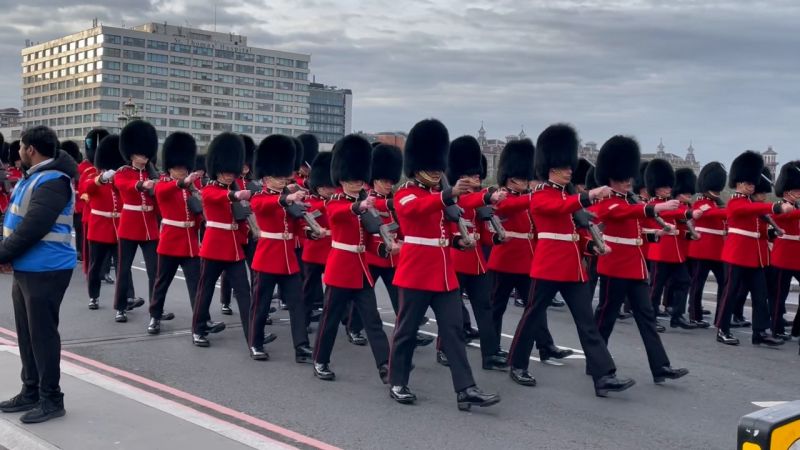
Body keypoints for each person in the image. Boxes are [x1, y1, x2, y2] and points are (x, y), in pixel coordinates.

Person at [507, 123, 635, 397]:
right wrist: (589, 196)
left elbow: (574, 232)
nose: (569, 171)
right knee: (532, 317)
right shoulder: (541, 195)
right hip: (549, 265)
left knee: (587, 323)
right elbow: (558, 208)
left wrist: (592, 246)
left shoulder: (568, 196)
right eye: (564, 167)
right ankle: (517, 364)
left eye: (569, 167)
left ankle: (604, 376)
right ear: (550, 167)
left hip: (573, 267)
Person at [388, 118, 499, 410]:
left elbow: (446, 228)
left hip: (443, 273)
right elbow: (417, 209)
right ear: (417, 167)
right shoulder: (405, 193)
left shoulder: (438, 195)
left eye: (439, 167)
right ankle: (398, 381)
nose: (437, 172)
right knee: (406, 331)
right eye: (432, 166)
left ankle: (466, 389)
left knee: (453, 331)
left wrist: (459, 241)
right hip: (415, 273)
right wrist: (448, 194)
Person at [592, 135, 689, 385]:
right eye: (622, 178)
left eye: (629, 177)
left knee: (647, 318)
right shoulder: (607, 202)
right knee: (606, 318)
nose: (628, 181)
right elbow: (624, 214)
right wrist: (656, 209)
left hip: (635, 268)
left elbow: (636, 229)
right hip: (614, 267)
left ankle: (661, 366)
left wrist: (657, 232)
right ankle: (596, 364)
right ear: (610, 178)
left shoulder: (629, 200)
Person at [0, 125, 76, 423]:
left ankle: (51, 398)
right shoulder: (35, 177)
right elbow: (14, 221)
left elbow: (34, 227)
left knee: (42, 335)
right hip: (28, 266)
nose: (18, 151)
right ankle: (31, 390)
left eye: (21, 147)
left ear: (30, 149)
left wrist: (4, 255)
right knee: (27, 334)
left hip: (47, 267)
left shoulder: (53, 181)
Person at [312, 134, 390, 383]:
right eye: (352, 180)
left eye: (359, 179)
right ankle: (320, 360)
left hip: (361, 270)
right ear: (342, 179)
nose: (357, 183)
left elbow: (369, 237)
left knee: (373, 321)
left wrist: (385, 248)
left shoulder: (365, 203)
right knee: (330, 319)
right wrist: (359, 207)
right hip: (340, 269)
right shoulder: (335, 202)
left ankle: (386, 365)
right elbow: (339, 214)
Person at [488, 139, 567, 362]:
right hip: (505, 260)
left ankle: (546, 346)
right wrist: (534, 195)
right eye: (522, 178)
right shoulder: (501, 196)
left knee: (534, 308)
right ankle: (492, 348)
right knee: (496, 308)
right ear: (510, 178)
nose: (525, 182)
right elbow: (506, 208)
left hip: (527, 261)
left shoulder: (526, 198)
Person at [436, 135, 507, 370]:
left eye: (478, 174)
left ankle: (490, 354)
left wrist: (495, 237)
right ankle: (443, 349)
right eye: (472, 174)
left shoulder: (479, 200)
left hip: (477, 263)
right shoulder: (454, 198)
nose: (477, 178)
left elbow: (483, 234)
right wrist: (485, 198)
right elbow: (465, 204)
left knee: (485, 309)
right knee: (452, 312)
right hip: (457, 261)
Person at [715, 152, 791, 346]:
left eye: (752, 183)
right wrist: (776, 207)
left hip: (754, 257)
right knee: (730, 294)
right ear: (739, 183)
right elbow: (749, 210)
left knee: (760, 295)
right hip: (737, 255)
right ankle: (722, 329)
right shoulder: (735, 202)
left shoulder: (752, 203)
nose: (751, 186)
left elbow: (758, 226)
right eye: (748, 183)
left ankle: (760, 332)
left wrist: (775, 229)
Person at [248, 134, 312, 362]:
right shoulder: (260, 197)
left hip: (288, 259)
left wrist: (311, 231)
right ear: (266, 178)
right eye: (278, 177)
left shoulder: (289, 197)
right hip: (267, 257)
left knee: (297, 304)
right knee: (261, 305)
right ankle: (255, 343)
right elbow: (263, 206)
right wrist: (287, 199)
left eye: (284, 177)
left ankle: (301, 346)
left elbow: (298, 225)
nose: (283, 181)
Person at [191, 132, 252, 348]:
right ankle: (198, 330)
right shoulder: (209, 189)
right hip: (214, 248)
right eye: (225, 172)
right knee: (205, 290)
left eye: (232, 172)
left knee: (244, 293)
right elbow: (216, 197)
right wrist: (235, 195)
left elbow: (241, 219)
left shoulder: (234, 189)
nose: (229, 176)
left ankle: (253, 336)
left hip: (234, 249)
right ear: (217, 170)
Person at [147, 132, 203, 335]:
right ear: (170, 168)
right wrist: (184, 182)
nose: (182, 171)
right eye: (178, 168)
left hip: (190, 243)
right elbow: (163, 192)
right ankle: (155, 316)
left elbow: (199, 213)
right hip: (170, 242)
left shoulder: (192, 187)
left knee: (196, 286)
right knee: (161, 283)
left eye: (184, 168)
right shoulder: (163, 184)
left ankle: (200, 322)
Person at [112, 120, 160, 323]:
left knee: (154, 272)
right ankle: (120, 306)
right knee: (123, 269)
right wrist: (142, 185)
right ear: (131, 154)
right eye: (140, 153)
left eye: (146, 153)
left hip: (150, 228)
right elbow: (123, 185)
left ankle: (155, 310)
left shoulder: (154, 174)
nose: (144, 156)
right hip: (129, 226)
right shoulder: (123, 172)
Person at [645, 160, 700, 330]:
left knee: (684, 281)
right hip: (661, 251)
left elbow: (680, 218)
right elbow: (672, 213)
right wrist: (689, 212)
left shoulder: (673, 203)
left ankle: (677, 315)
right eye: (664, 187)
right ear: (656, 188)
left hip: (675, 253)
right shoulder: (653, 205)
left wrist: (690, 227)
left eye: (669, 186)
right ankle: (651, 317)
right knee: (656, 287)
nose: (669, 189)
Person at [687, 162, 728, 328]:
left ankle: (721, 317)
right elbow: (714, 214)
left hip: (718, 251)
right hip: (702, 250)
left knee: (724, 284)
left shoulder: (716, 202)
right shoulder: (701, 203)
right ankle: (694, 315)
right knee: (698, 284)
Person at [301, 151, 334, 327]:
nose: (331, 190)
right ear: (318, 187)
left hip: (331, 250)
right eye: (327, 187)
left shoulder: (335, 201)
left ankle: (343, 320)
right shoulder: (311, 202)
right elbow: (312, 212)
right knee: (308, 290)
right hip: (314, 251)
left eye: (332, 186)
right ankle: (303, 321)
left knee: (336, 289)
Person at [771, 161, 800, 341]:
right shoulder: (780, 207)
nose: (799, 193)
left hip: (796, 256)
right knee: (779, 296)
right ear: (787, 191)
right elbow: (786, 216)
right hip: (782, 256)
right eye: (797, 190)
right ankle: (776, 328)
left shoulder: (796, 207)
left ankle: (797, 328)